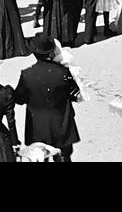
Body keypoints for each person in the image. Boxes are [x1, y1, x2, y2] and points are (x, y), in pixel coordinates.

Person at [13, 33, 82, 162]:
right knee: (64, 157)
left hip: (37, 127)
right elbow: (75, 94)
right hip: (62, 123)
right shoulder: (64, 72)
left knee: (39, 157)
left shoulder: (27, 74)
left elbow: (19, 99)